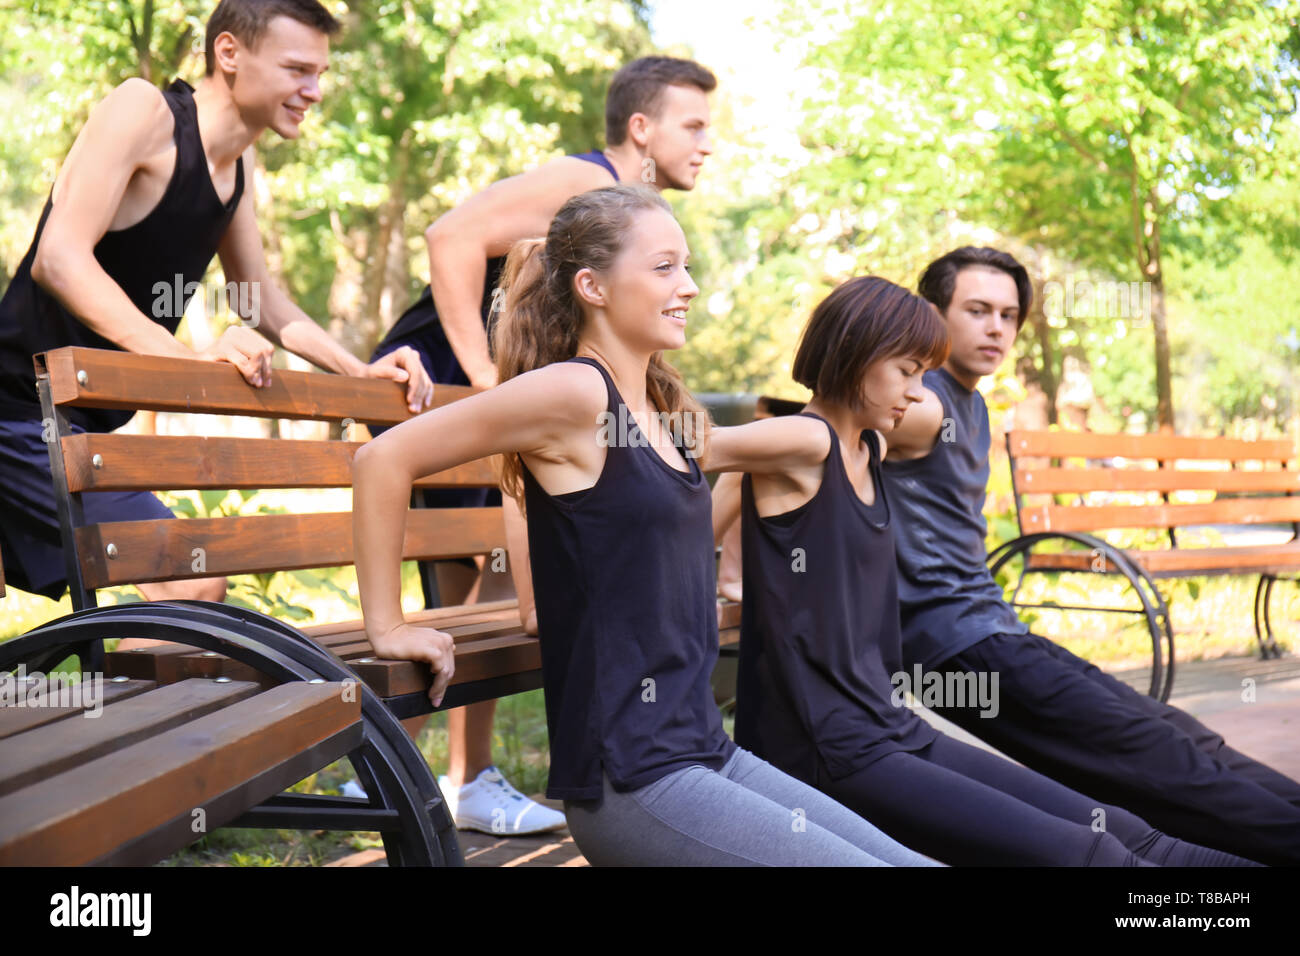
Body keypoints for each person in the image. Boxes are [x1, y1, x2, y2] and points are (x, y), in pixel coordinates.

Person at [352, 184, 938, 866]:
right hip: (635, 780)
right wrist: (388, 626)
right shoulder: (574, 392)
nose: (687, 285)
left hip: (705, 752)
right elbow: (383, 457)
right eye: (664, 267)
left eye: (685, 266)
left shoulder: (658, 410)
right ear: (593, 286)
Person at [710, 275, 1259, 866]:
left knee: (1126, 831)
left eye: (924, 374)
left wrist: (737, 571)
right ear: (857, 355)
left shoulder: (871, 447)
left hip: (888, 724)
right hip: (824, 745)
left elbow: (744, 493)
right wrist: (705, 574)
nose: (918, 393)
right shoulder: (803, 438)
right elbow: (686, 456)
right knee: (1089, 854)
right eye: (907, 371)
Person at [358, 56, 718, 834]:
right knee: (458, 586)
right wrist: (489, 374)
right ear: (641, 128)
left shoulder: (631, 237)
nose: (707, 142)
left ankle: (463, 774)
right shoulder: (581, 183)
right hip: (444, 377)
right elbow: (450, 236)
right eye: (694, 123)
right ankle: (395, 771)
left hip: (522, 391)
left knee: (500, 576)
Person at [0, 0, 432, 609]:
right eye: (296, 70)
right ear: (228, 53)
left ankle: (117, 705)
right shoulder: (142, 111)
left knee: (192, 584)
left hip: (79, 433)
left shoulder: (237, 161)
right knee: (192, 582)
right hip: (17, 417)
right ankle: (116, 706)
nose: (313, 91)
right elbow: (59, 259)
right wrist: (193, 359)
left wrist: (358, 369)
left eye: (321, 75)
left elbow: (256, 298)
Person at [879, 246, 1300, 866]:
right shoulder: (922, 403)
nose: (997, 327)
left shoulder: (966, 401)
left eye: (1008, 314)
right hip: (959, 652)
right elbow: (815, 431)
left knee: (1186, 739)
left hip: (995, 633)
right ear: (933, 313)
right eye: (976, 310)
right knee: (1167, 763)